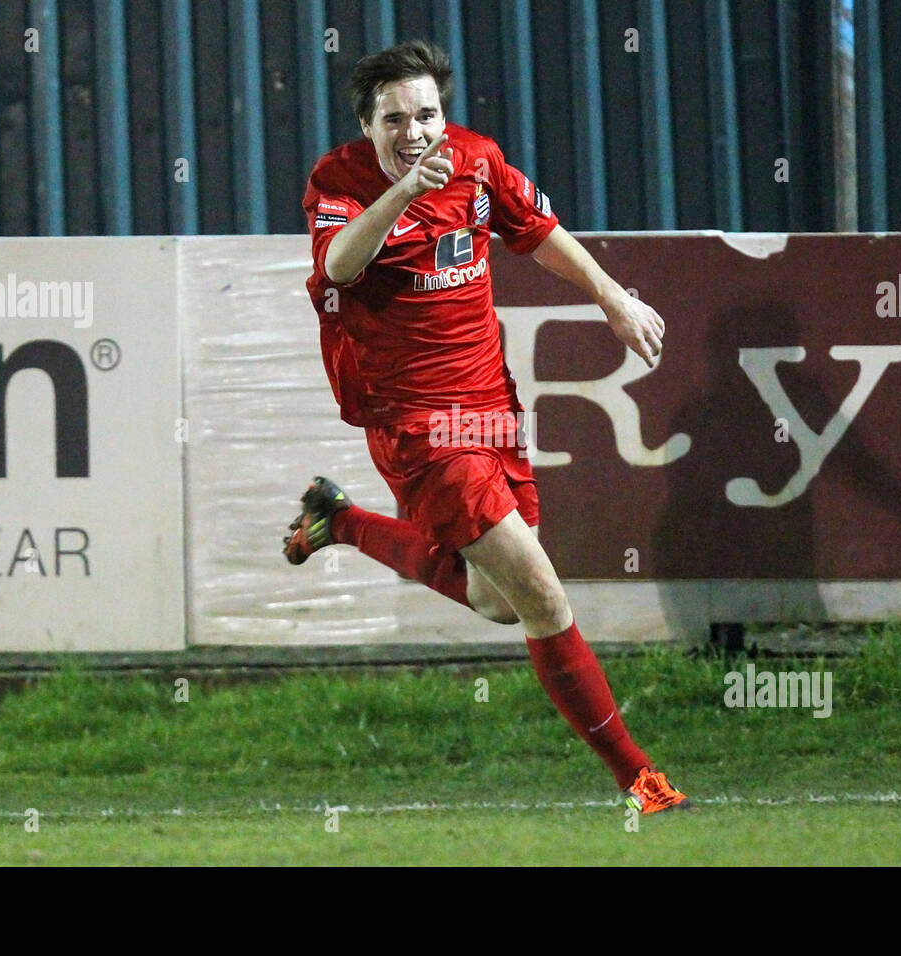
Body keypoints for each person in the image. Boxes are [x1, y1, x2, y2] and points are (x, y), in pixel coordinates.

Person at [285, 39, 690, 813]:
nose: (415, 130)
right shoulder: (336, 182)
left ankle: (339, 522)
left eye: (428, 114)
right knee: (541, 596)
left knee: (496, 600)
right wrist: (404, 189)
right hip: (415, 425)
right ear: (367, 127)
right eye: (396, 119)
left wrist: (612, 295)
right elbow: (339, 265)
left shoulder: (475, 158)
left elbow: (538, 231)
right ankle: (641, 781)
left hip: (490, 406)